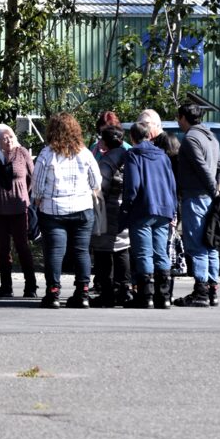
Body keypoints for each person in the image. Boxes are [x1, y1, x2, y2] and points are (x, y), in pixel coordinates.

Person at [30, 112, 101, 309]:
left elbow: (37, 185)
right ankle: (83, 293)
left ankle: (53, 293)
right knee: (81, 251)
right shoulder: (85, 153)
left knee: (55, 252)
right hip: (82, 208)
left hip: (54, 210)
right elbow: (96, 181)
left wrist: (39, 199)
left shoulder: (47, 154)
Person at [172, 103, 220, 307]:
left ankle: (200, 292)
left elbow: (201, 168)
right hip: (211, 198)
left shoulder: (191, 139)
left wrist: (213, 191)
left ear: (184, 118)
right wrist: (219, 190)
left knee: (197, 245)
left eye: (178, 117)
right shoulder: (210, 137)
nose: (178, 121)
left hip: (196, 198)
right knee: (210, 244)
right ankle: (212, 290)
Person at [120, 121, 178, 308]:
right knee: (161, 252)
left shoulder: (133, 154)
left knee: (144, 253)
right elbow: (172, 184)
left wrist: (126, 208)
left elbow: (132, 186)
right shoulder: (163, 155)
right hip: (164, 208)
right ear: (150, 135)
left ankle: (146, 297)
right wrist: (173, 209)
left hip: (143, 209)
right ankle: (164, 297)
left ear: (132, 137)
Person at [0, 123, 37, 298]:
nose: (8, 141)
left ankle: (31, 286)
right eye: (4, 138)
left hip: (18, 207)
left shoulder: (22, 153)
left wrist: (23, 193)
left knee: (23, 247)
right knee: (3, 249)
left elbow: (33, 177)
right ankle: (6, 286)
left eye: (11, 137)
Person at [91, 125, 131, 307]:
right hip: (125, 206)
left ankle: (107, 292)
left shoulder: (107, 161)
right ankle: (124, 289)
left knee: (103, 250)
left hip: (109, 208)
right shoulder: (129, 155)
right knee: (123, 248)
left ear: (105, 142)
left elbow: (101, 186)